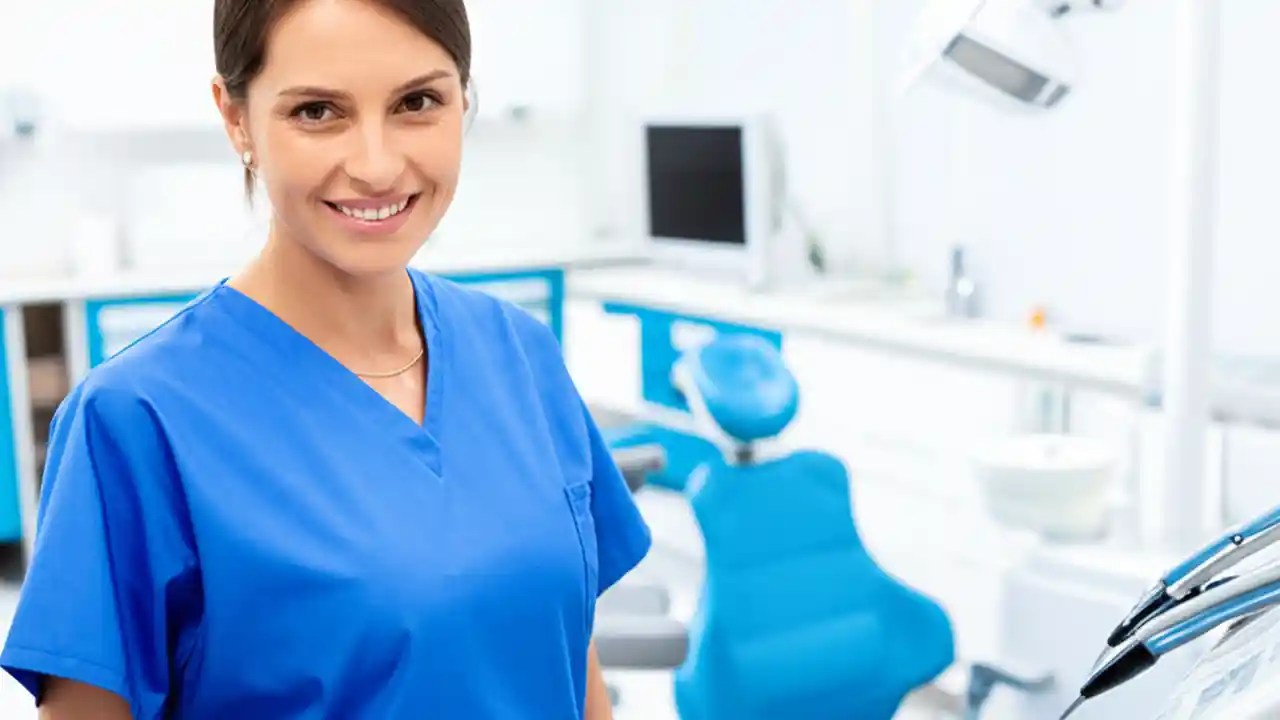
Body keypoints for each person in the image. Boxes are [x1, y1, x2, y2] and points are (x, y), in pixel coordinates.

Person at [0, 0, 651, 717]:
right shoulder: (136, 420)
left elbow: (572, 660)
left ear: (463, 100)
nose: (375, 166)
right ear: (236, 117)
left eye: (417, 101)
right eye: (317, 112)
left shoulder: (519, 354)